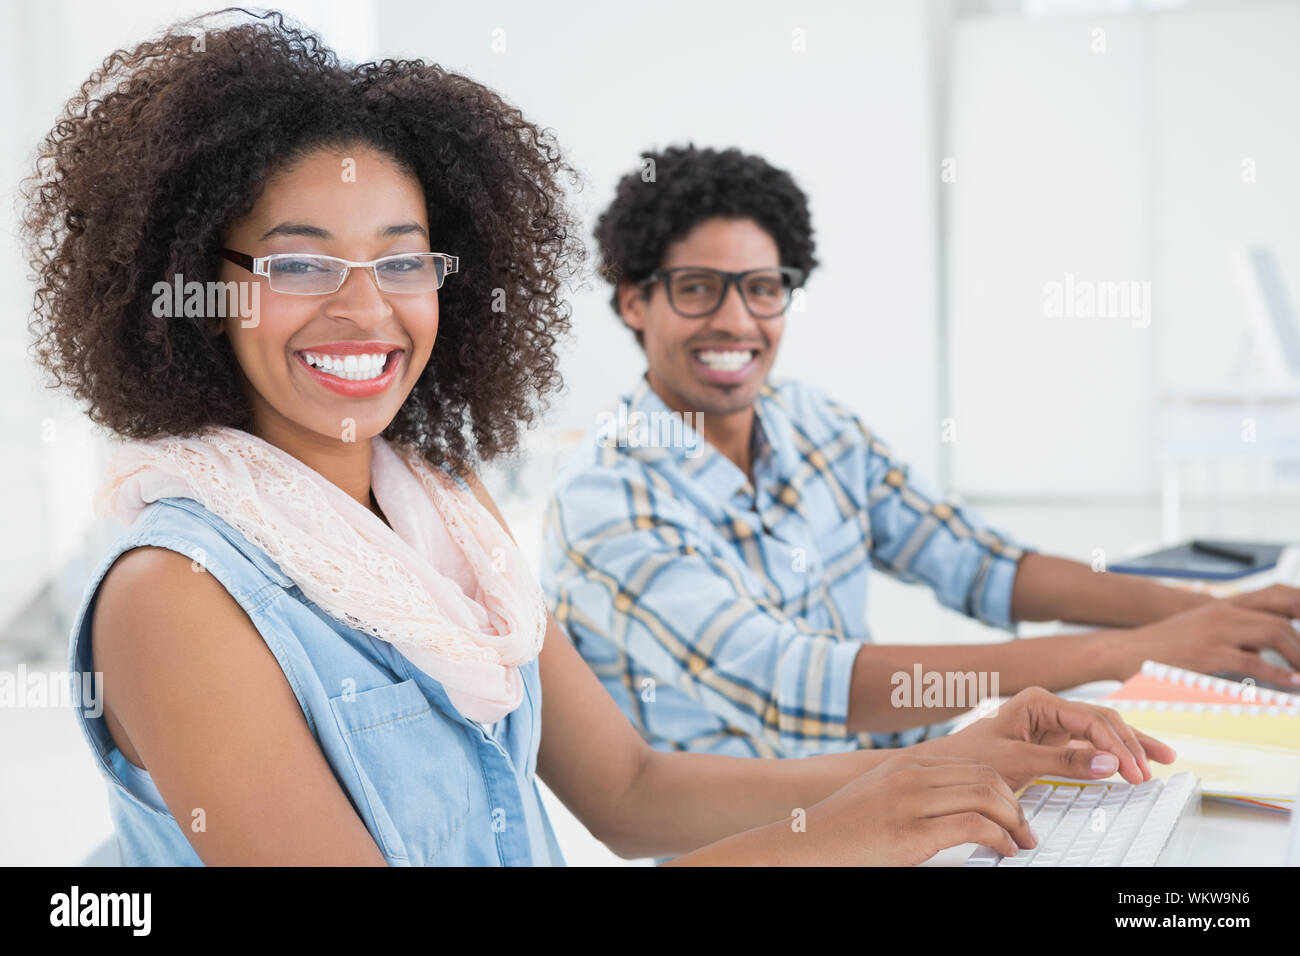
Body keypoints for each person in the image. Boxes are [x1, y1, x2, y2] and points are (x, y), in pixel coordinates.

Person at [26, 12, 1171, 866]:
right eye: (300, 261)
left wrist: (940, 759)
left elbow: (627, 785)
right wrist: (846, 827)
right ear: (194, 285)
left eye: (405, 257)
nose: (367, 310)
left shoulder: (439, 502)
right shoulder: (175, 594)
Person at [540, 144, 1300, 758]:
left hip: (905, 777)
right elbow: (805, 685)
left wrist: (1212, 616)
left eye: (764, 287)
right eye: (699, 288)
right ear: (634, 300)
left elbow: (980, 563)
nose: (738, 320)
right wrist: (1127, 651)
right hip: (773, 834)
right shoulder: (607, 499)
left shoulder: (810, 420)